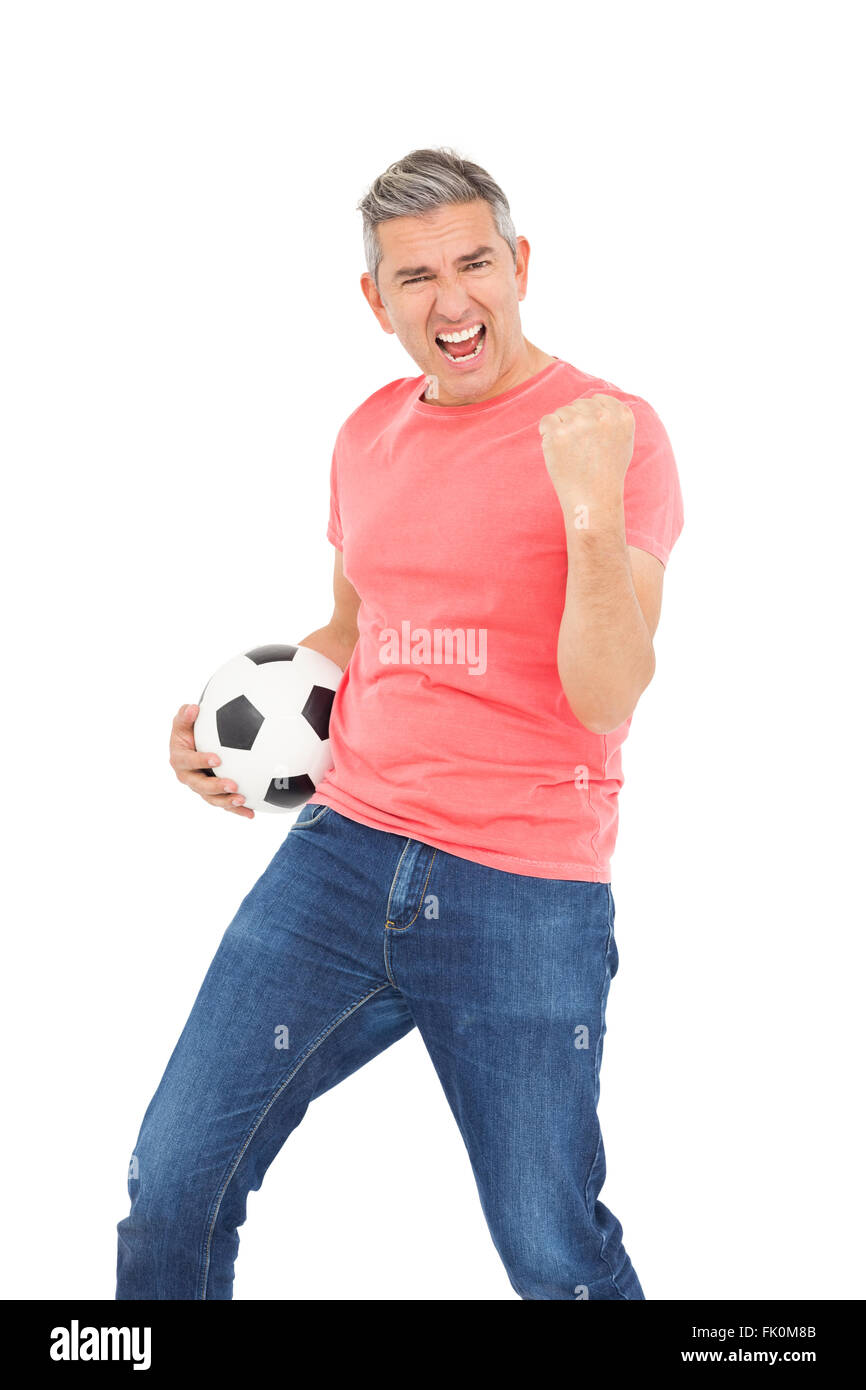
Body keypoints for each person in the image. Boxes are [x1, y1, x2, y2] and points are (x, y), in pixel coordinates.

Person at [116, 146, 684, 1301]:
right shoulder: (367, 430)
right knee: (174, 1177)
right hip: (339, 855)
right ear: (375, 302)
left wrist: (582, 508)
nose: (452, 300)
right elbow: (351, 627)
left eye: (474, 263)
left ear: (519, 266)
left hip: (522, 886)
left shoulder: (609, 430)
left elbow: (608, 694)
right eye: (415, 277)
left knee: (553, 1251)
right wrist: (228, 727)